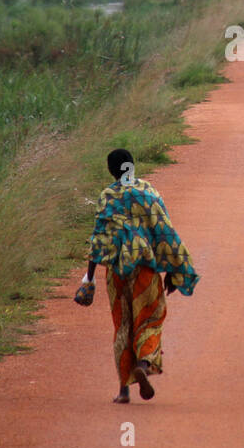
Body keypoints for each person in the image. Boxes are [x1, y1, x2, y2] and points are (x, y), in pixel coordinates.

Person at [78, 149, 199, 403]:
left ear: (111, 171)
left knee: (123, 326)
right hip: (146, 269)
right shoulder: (149, 192)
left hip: (118, 272)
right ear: (132, 167)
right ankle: (143, 365)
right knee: (150, 320)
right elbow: (164, 231)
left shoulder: (108, 196)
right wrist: (173, 270)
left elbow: (99, 240)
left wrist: (88, 277)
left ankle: (124, 390)